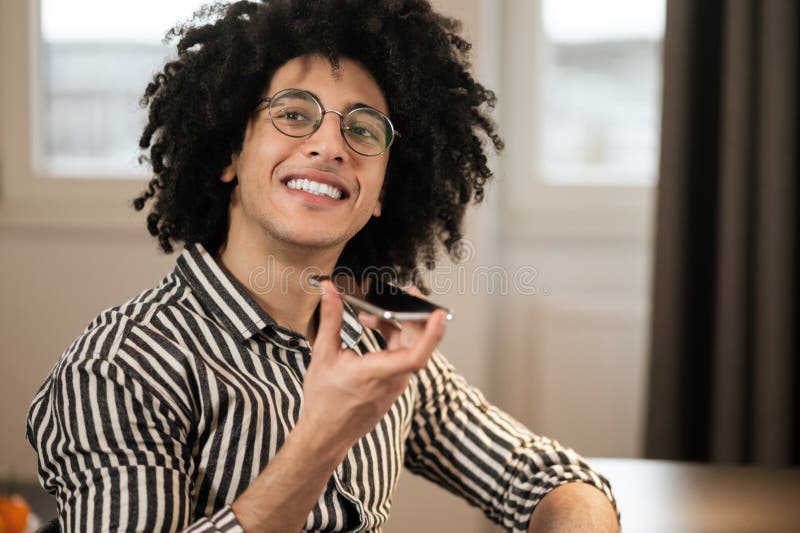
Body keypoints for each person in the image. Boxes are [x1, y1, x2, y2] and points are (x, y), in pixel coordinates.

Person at [26, 1, 620, 531]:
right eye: (293, 114)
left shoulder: (381, 338)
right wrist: (322, 436)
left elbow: (546, 476)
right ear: (230, 154)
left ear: (382, 191)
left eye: (362, 129)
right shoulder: (120, 365)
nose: (331, 146)